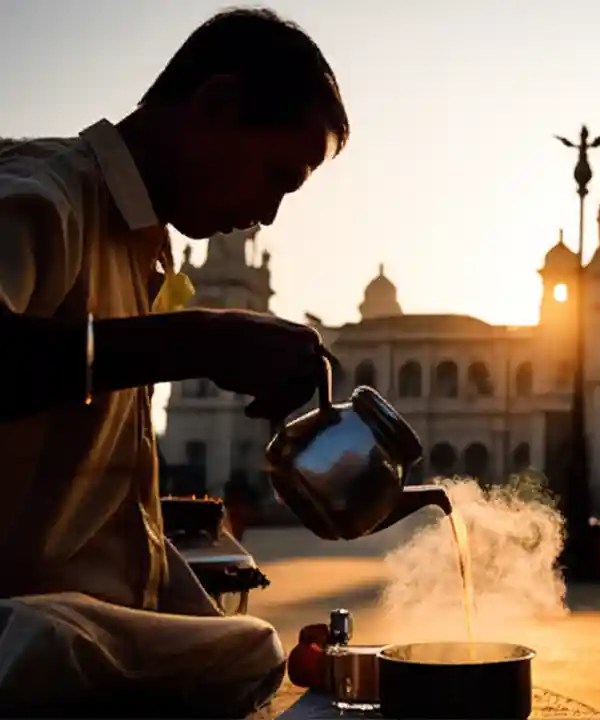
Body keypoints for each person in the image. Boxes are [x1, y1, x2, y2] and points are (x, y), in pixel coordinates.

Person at [0, 8, 349, 716]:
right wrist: (199, 339)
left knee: (245, 650)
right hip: (26, 623)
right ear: (217, 105)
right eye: (278, 176)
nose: (270, 215)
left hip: (84, 620)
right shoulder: (44, 196)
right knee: (46, 641)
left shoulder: (140, 250)